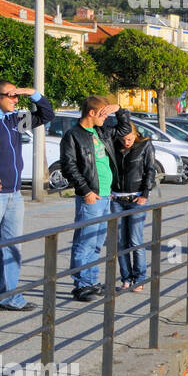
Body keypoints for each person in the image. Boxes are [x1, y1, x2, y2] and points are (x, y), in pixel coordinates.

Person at [0, 80, 54, 317]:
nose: (15, 100)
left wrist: (32, 93)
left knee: (11, 247)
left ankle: (7, 296)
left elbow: (46, 114)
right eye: (10, 96)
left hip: (14, 195)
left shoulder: (14, 121)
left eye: (16, 96)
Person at [60, 98, 124, 302]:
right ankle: (81, 285)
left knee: (97, 242)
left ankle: (91, 280)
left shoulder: (102, 132)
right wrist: (85, 190)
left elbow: (123, 130)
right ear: (91, 113)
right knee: (85, 241)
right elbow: (69, 166)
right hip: (91, 196)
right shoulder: (73, 135)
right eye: (103, 114)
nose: (106, 119)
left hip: (106, 195)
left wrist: (120, 111)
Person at [111, 121, 158, 291]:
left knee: (135, 240)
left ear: (135, 134)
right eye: (123, 139)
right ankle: (126, 278)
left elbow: (150, 170)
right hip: (117, 198)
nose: (126, 142)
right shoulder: (115, 145)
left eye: (129, 138)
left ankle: (139, 279)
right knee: (120, 242)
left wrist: (145, 194)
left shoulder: (145, 145)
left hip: (136, 198)